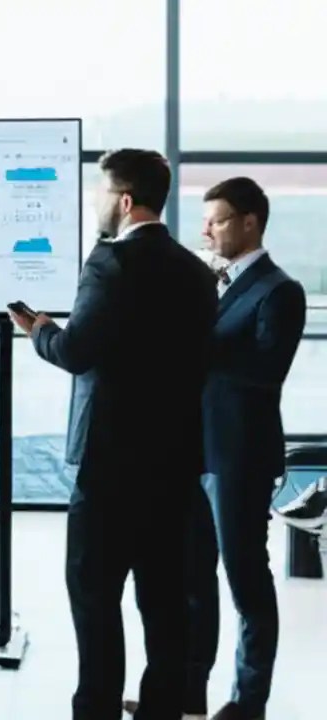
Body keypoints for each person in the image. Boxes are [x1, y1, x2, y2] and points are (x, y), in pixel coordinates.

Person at [8, 148, 217, 720]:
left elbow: (79, 352)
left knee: (97, 603)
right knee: (167, 607)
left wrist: (41, 331)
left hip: (110, 469)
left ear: (125, 200)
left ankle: (96, 710)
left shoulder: (110, 264)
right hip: (175, 464)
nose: (97, 205)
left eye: (101, 193)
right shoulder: (197, 272)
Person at [181, 177, 306, 720]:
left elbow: (264, 372)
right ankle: (185, 693)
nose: (205, 229)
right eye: (206, 219)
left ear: (251, 222)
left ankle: (247, 704)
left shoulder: (280, 290)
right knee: (190, 579)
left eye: (218, 220)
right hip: (191, 452)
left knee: (246, 581)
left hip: (240, 458)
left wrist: (189, 346)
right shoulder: (209, 284)